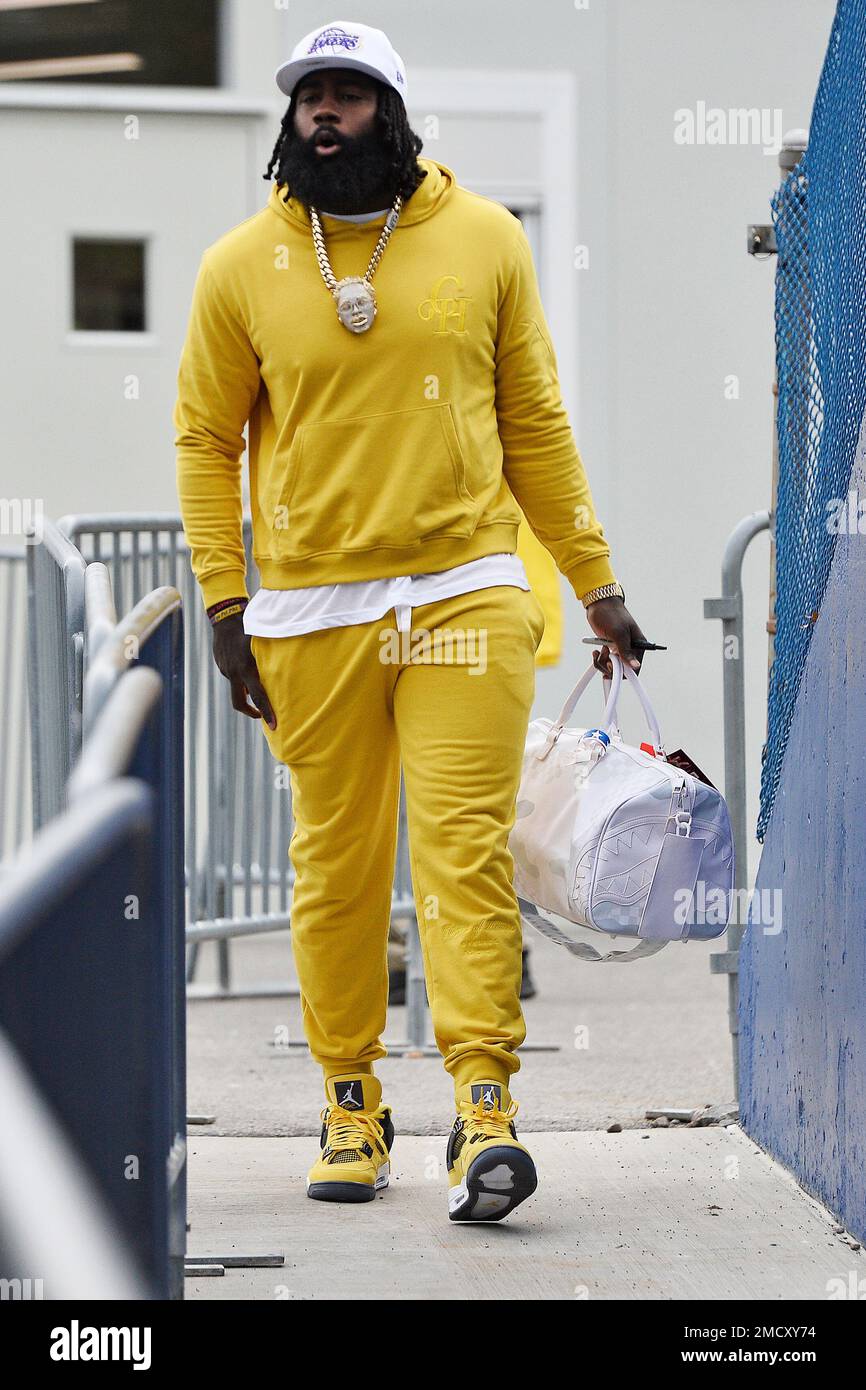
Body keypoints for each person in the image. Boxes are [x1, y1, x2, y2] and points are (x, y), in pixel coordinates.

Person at [174, 19, 646, 1224]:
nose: (325, 115)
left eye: (350, 96)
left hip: (465, 588)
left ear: (393, 113)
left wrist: (593, 582)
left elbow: (533, 422)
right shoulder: (239, 266)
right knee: (334, 869)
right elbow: (203, 440)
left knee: (459, 853)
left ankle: (482, 1103)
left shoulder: (482, 238)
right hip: (307, 607)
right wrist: (225, 602)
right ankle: (349, 1098)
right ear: (290, 124)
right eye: (308, 99)